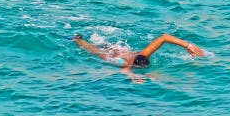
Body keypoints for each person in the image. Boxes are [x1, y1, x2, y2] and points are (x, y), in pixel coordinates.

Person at [70, 33, 205, 71]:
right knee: (97, 51)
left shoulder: (144, 54)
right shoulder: (127, 63)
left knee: (106, 47)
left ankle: (81, 39)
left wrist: (188, 45)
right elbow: (126, 70)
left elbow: (164, 37)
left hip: (121, 50)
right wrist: (134, 77)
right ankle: (78, 39)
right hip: (114, 56)